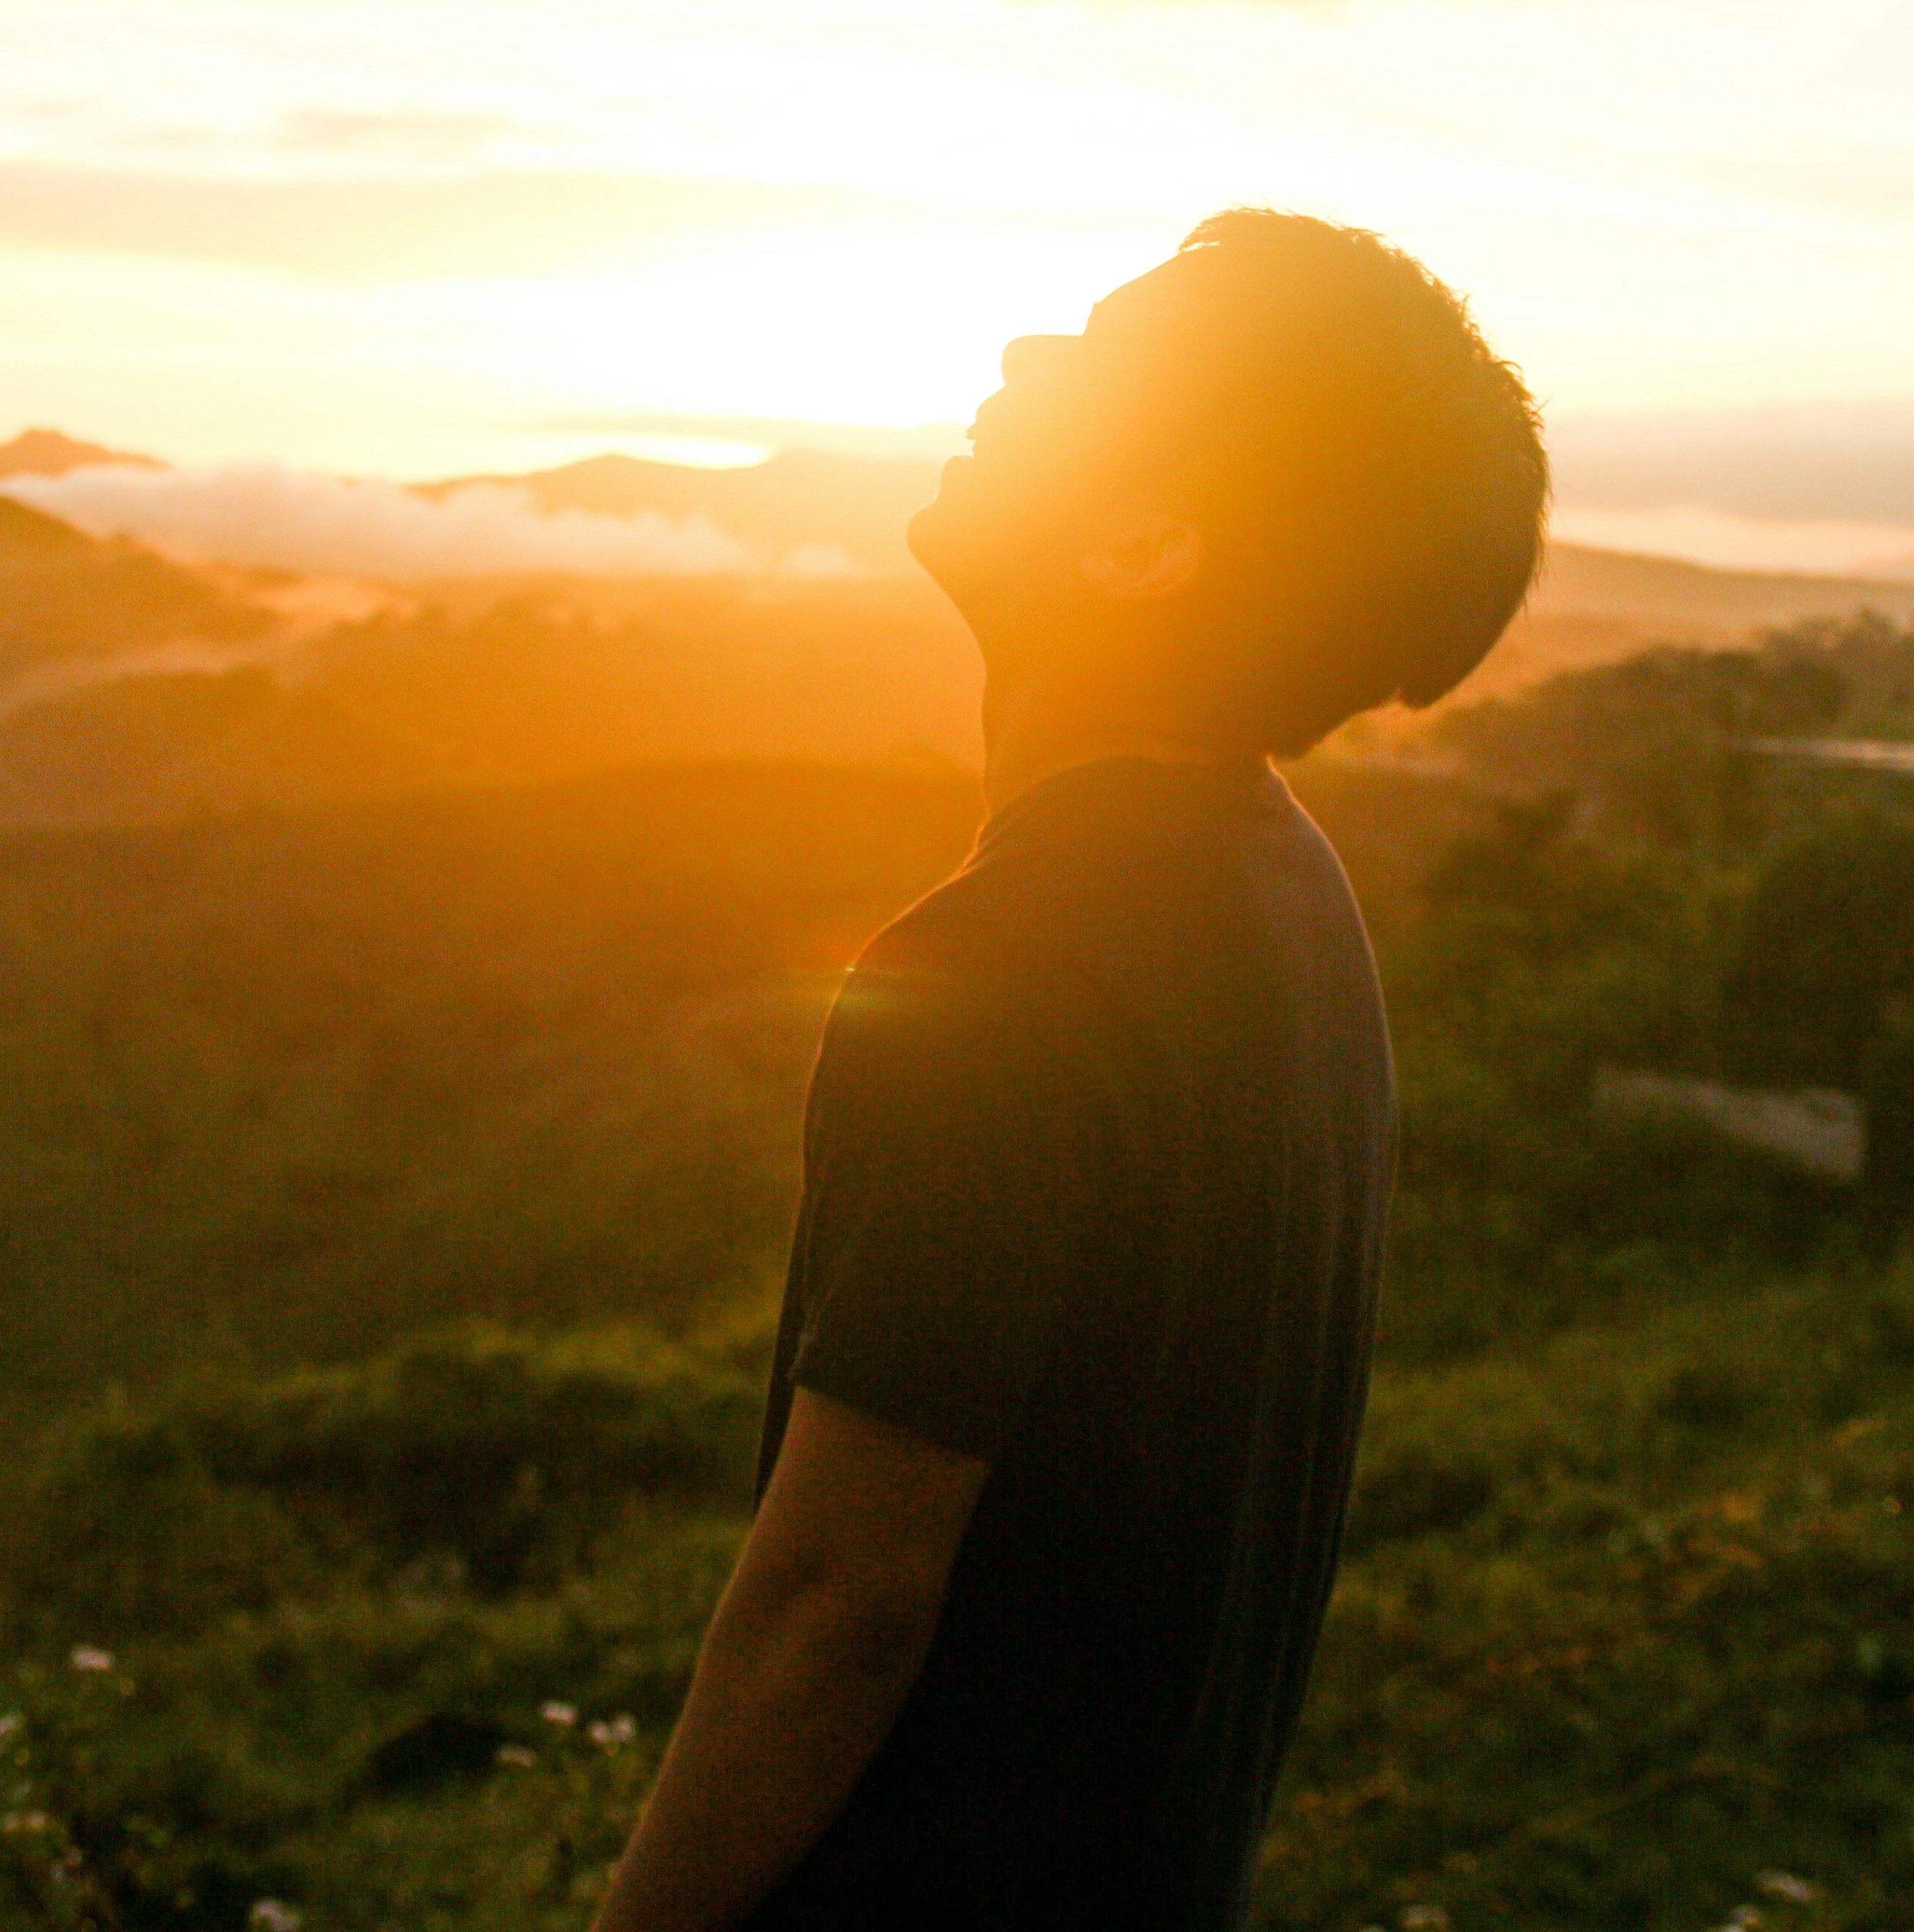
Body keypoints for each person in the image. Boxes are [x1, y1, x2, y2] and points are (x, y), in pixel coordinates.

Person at [592, 210, 1548, 1931]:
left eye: (1101, 364)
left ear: (1145, 544)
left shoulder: (1005, 973)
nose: (1026, 358)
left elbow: (837, 1599)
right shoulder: (1292, 898)